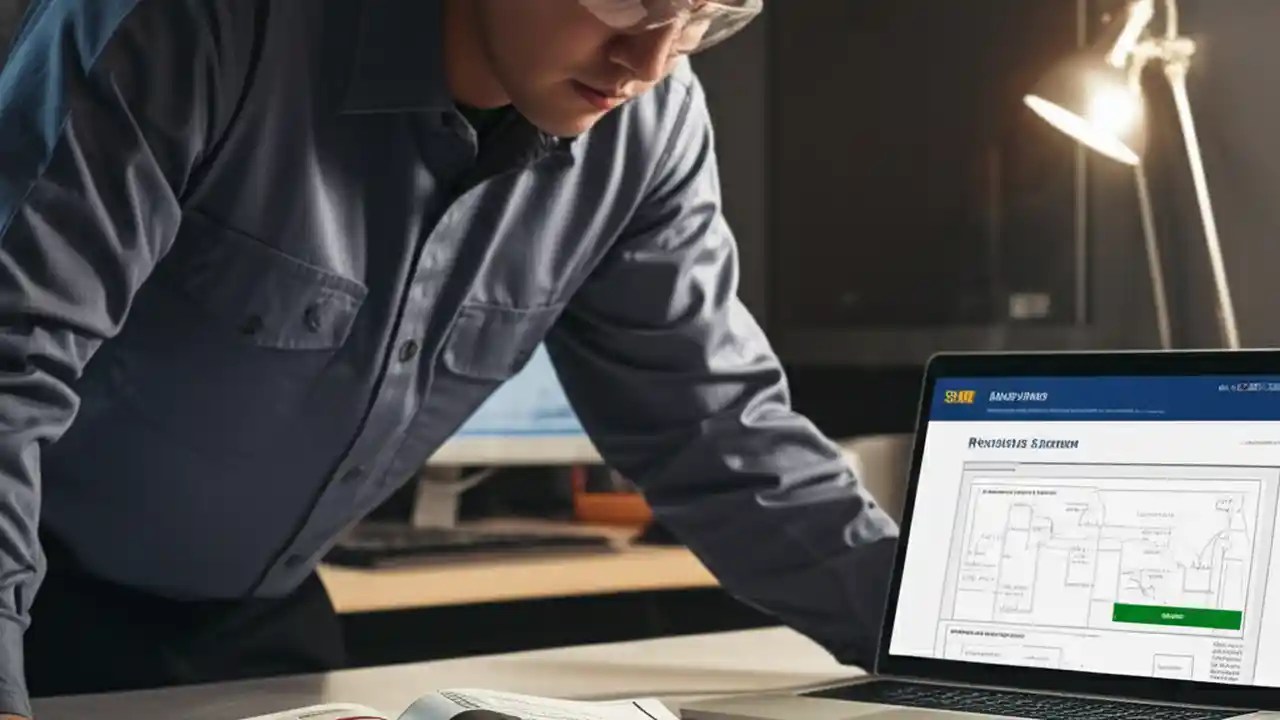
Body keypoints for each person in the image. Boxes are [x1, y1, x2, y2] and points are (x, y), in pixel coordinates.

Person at [0, 0, 899, 717]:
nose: (652, 59)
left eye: (706, 12)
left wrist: (965, 650)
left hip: (254, 629)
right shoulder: (191, 25)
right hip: (35, 609)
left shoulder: (650, 128)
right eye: (627, 0)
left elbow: (717, 429)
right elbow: (11, 365)